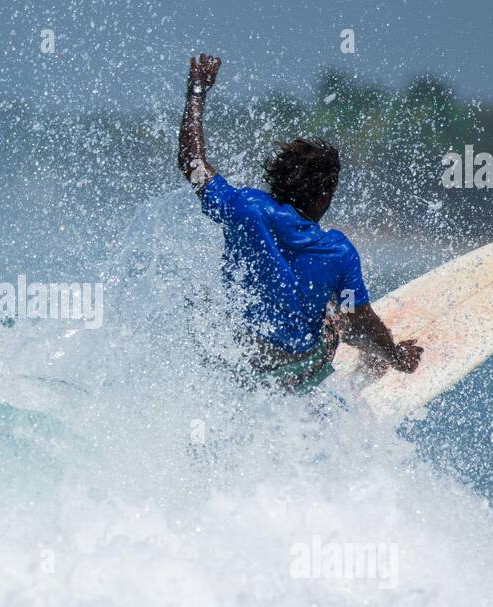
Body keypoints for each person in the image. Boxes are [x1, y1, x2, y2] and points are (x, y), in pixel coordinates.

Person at [177, 53, 422, 391]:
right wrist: (396, 354)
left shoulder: (243, 207)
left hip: (240, 358)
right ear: (324, 196)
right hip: (298, 368)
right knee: (341, 313)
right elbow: (360, 317)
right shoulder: (338, 252)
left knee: (207, 307)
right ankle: (367, 375)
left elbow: (192, 163)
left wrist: (197, 92)